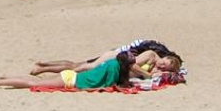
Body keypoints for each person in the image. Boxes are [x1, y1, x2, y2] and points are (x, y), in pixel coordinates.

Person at [29, 39, 182, 78]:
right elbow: (131, 64)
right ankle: (43, 68)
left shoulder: (156, 62)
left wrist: (162, 72)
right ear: (164, 56)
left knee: (77, 65)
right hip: (114, 57)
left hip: (116, 58)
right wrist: (148, 75)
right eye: (164, 63)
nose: (161, 66)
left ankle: (44, 65)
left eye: (165, 67)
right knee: (78, 67)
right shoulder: (150, 55)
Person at [0, 50, 135, 90]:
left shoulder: (111, 63)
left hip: (71, 76)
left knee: (36, 81)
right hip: (70, 80)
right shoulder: (115, 69)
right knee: (33, 84)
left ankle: (6, 77)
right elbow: (109, 84)